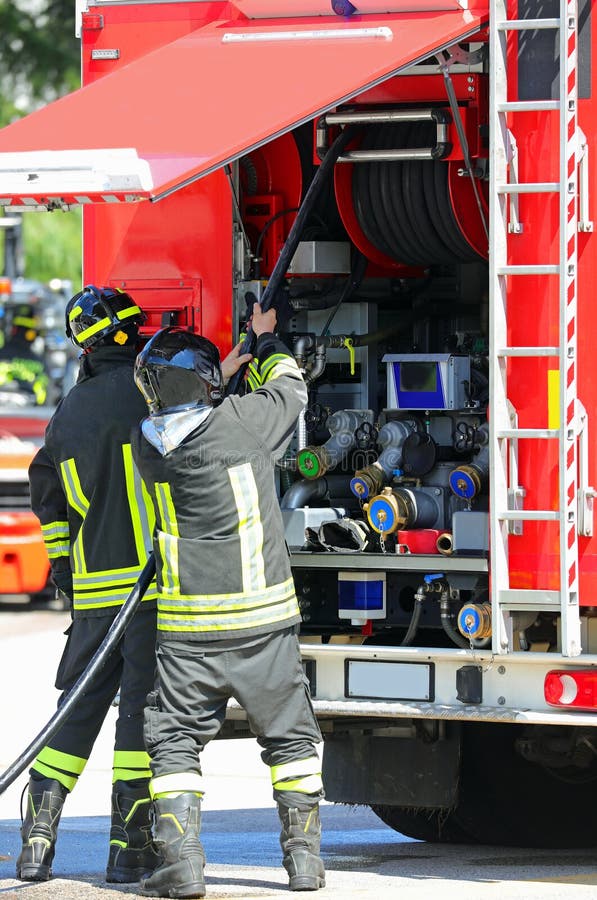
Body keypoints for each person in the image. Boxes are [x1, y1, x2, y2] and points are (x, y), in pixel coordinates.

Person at [21, 285, 252, 886]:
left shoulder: (66, 414)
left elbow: (49, 500)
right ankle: (128, 852)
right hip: (151, 594)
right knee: (139, 721)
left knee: (74, 715)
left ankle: (36, 843)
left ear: (85, 347)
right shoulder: (153, 390)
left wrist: (68, 573)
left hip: (96, 598)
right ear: (131, 333)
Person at [131, 303, 325, 899]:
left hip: (187, 633)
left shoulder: (146, 444)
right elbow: (291, 389)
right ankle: (304, 864)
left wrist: (221, 375)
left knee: (173, 741)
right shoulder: (243, 422)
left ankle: (182, 866)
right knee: (291, 741)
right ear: (207, 386)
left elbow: (191, 414)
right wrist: (264, 342)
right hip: (262, 625)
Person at [0, 301, 50, 404]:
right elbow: (43, 395)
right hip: (29, 407)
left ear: (12, 329)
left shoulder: (2, 353)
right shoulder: (39, 361)